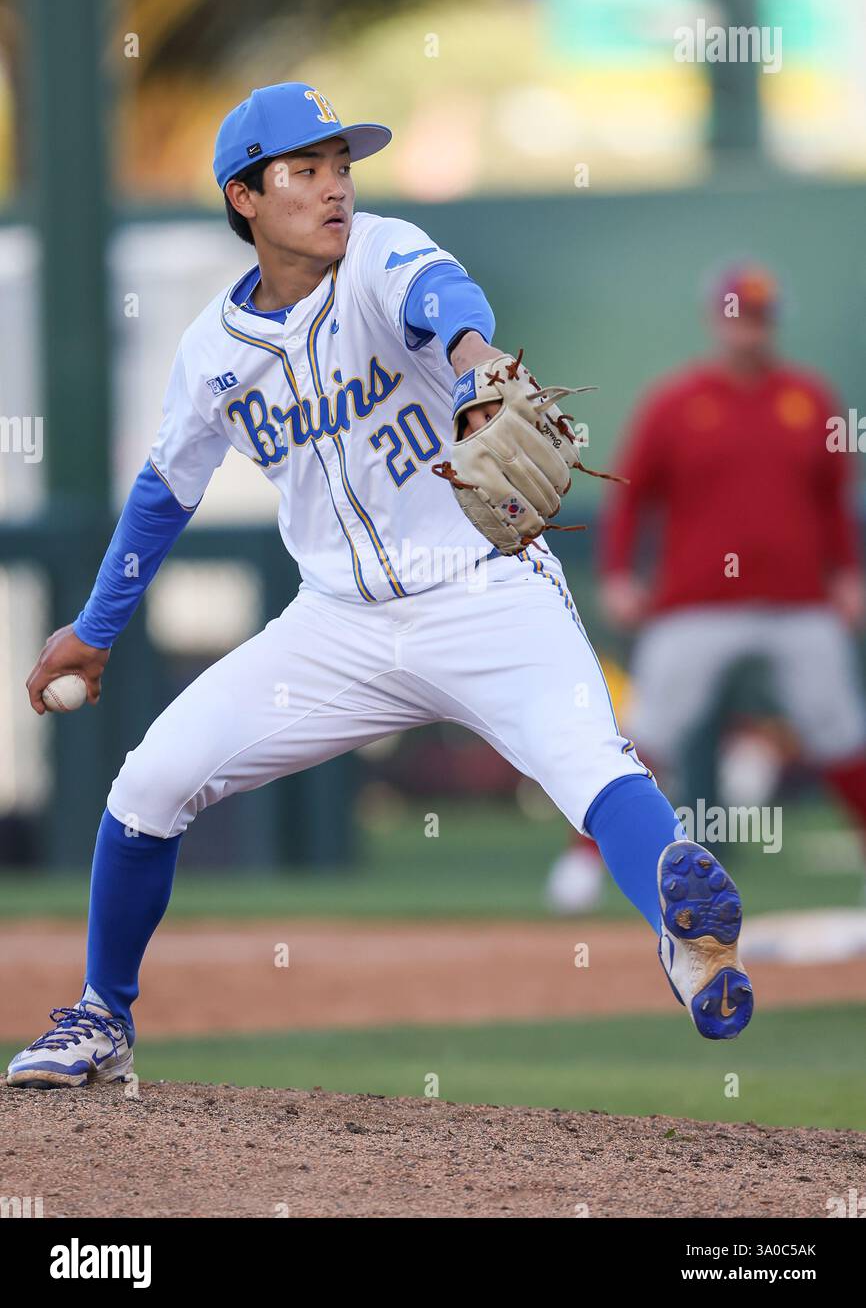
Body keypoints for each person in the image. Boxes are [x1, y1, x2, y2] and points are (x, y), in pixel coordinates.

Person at [8, 84, 753, 1089]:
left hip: (485, 595)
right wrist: (94, 630)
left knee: (587, 763)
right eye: (304, 170)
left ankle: (690, 937)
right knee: (148, 782)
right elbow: (159, 498)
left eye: (341, 167)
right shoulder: (210, 357)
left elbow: (445, 305)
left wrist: (474, 359)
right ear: (244, 198)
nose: (333, 189)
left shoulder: (380, 257)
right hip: (334, 630)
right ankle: (102, 1019)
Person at [547, 265, 866, 907]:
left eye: (759, 314)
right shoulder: (677, 402)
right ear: (716, 319)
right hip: (696, 603)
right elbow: (632, 496)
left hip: (797, 600)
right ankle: (583, 865)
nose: (749, 326)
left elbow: (834, 501)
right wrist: (617, 575)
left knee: (840, 731)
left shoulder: (808, 398)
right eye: (738, 313)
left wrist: (848, 573)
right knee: (648, 735)